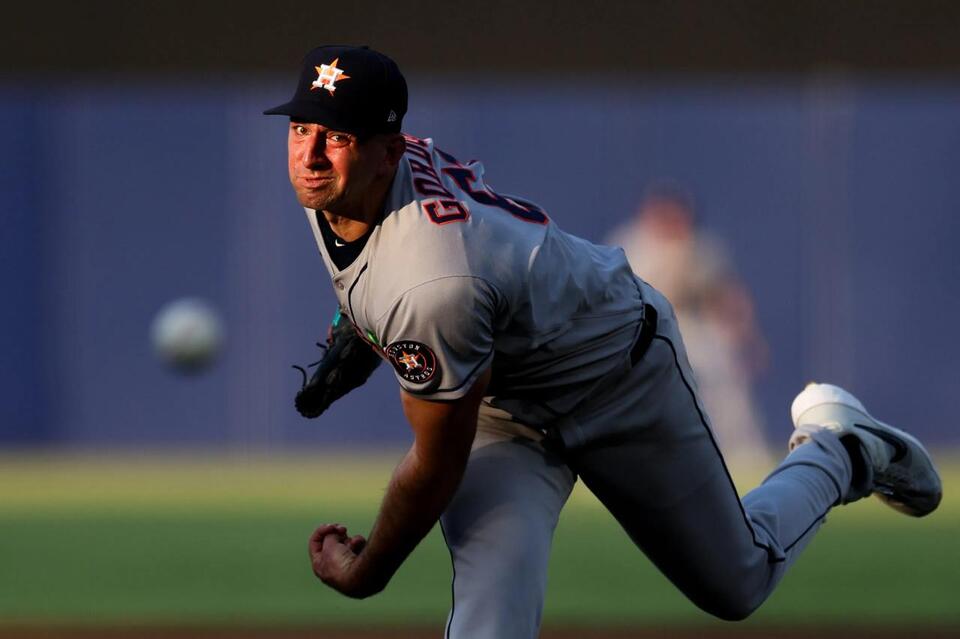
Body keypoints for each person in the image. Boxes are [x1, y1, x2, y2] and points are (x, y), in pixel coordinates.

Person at [264, 45, 942, 639]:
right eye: (301, 128)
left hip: (617, 374)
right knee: (489, 615)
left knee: (737, 582)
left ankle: (840, 447)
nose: (311, 152)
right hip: (510, 407)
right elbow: (386, 271)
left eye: (337, 136)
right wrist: (360, 322)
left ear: (388, 150)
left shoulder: (431, 279)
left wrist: (366, 570)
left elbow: (435, 465)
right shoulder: (347, 187)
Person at [607, 184, 771, 465]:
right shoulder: (630, 243)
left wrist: (747, 338)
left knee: (724, 378)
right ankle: (624, 452)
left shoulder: (699, 246)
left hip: (688, 323)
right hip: (641, 325)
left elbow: (724, 294)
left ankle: (745, 455)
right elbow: (609, 296)